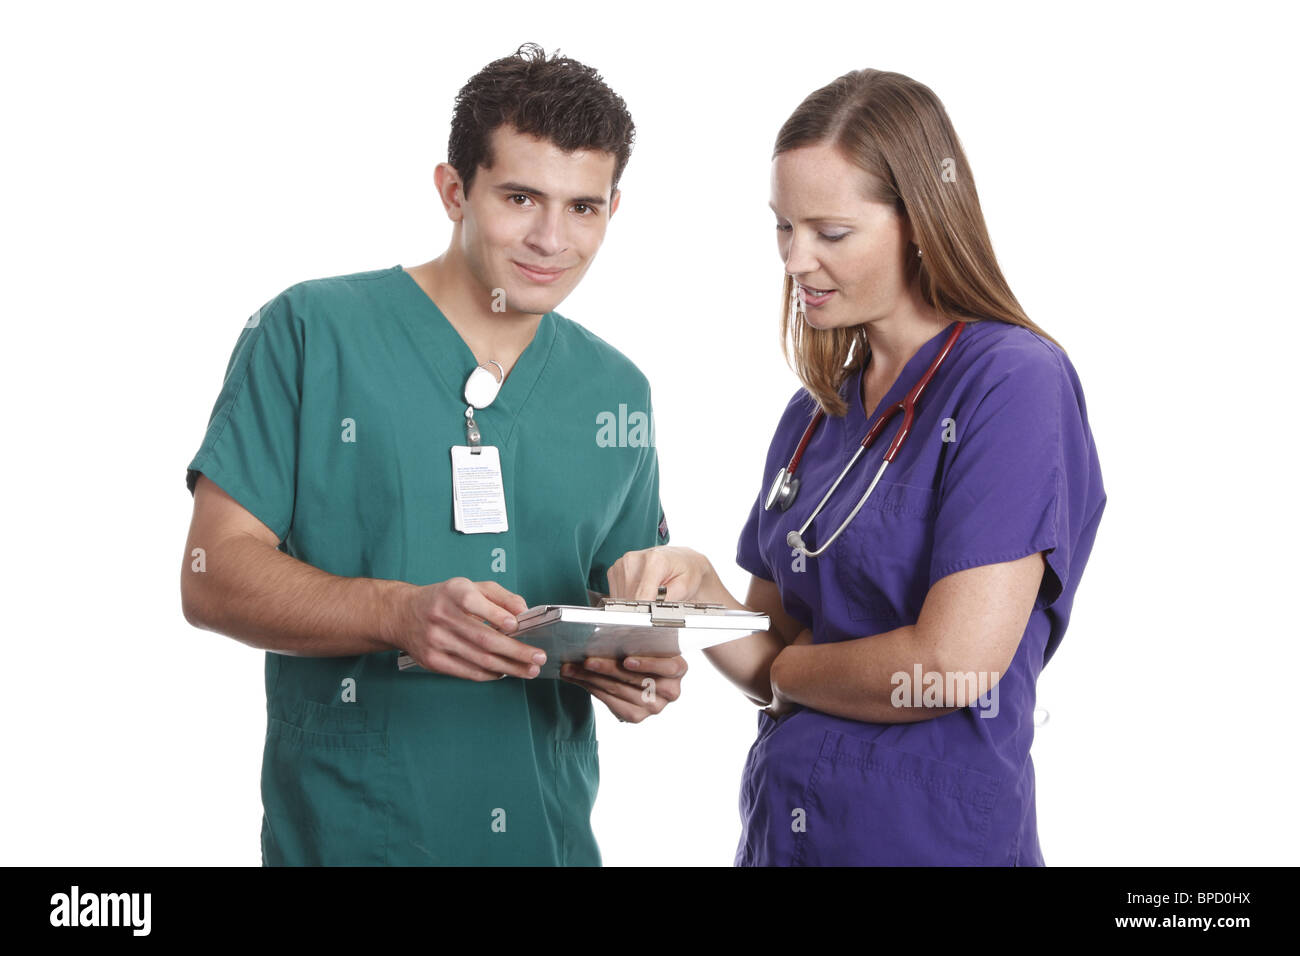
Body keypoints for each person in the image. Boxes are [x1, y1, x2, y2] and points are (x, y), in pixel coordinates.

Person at [180, 43, 685, 866]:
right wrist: (396, 614)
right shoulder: (310, 333)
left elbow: (613, 608)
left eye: (584, 207)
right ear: (454, 190)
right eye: (520, 197)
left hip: (545, 842)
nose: (553, 239)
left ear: (613, 209)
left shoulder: (615, 392)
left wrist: (636, 667)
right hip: (351, 841)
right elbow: (210, 575)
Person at [607, 68, 1106, 866]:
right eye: (782, 227)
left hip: (933, 843)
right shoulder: (815, 415)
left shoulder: (1012, 382)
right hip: (787, 833)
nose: (795, 259)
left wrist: (792, 669)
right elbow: (767, 659)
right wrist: (699, 595)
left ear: (919, 223)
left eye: (830, 233)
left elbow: (950, 668)